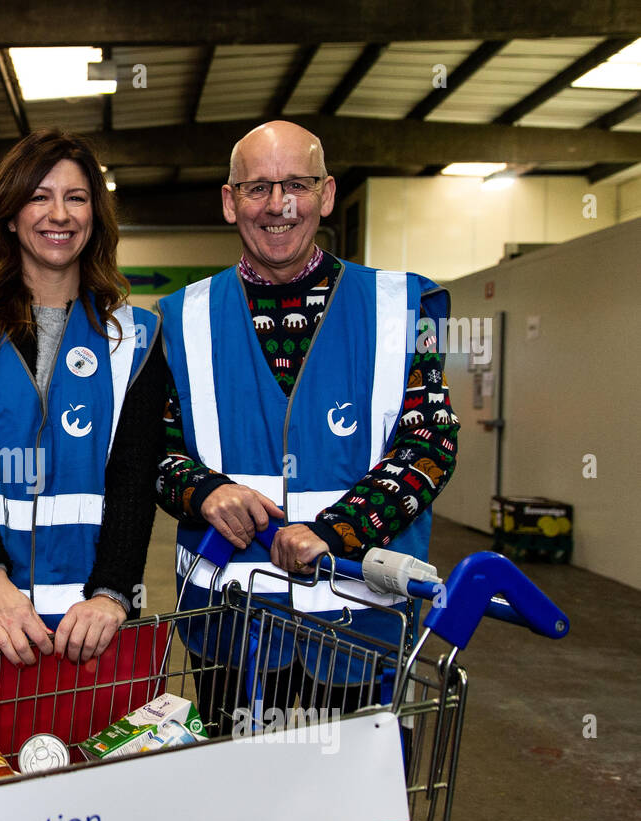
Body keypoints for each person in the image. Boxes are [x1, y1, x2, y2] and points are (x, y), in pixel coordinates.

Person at [157, 120, 458, 727]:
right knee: (238, 807)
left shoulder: (404, 306)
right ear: (229, 200)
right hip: (229, 626)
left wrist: (338, 529)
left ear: (325, 194)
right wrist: (205, 491)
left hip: (361, 617)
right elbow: (153, 452)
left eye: (296, 184)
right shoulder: (178, 321)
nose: (278, 205)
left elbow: (429, 442)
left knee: (348, 815)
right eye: (258, 187)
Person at [0, 130, 164, 666]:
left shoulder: (135, 337)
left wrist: (112, 593)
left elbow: (134, 478)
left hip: (90, 624)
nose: (60, 215)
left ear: (95, 216)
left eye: (76, 198)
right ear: (8, 214)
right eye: (39, 196)